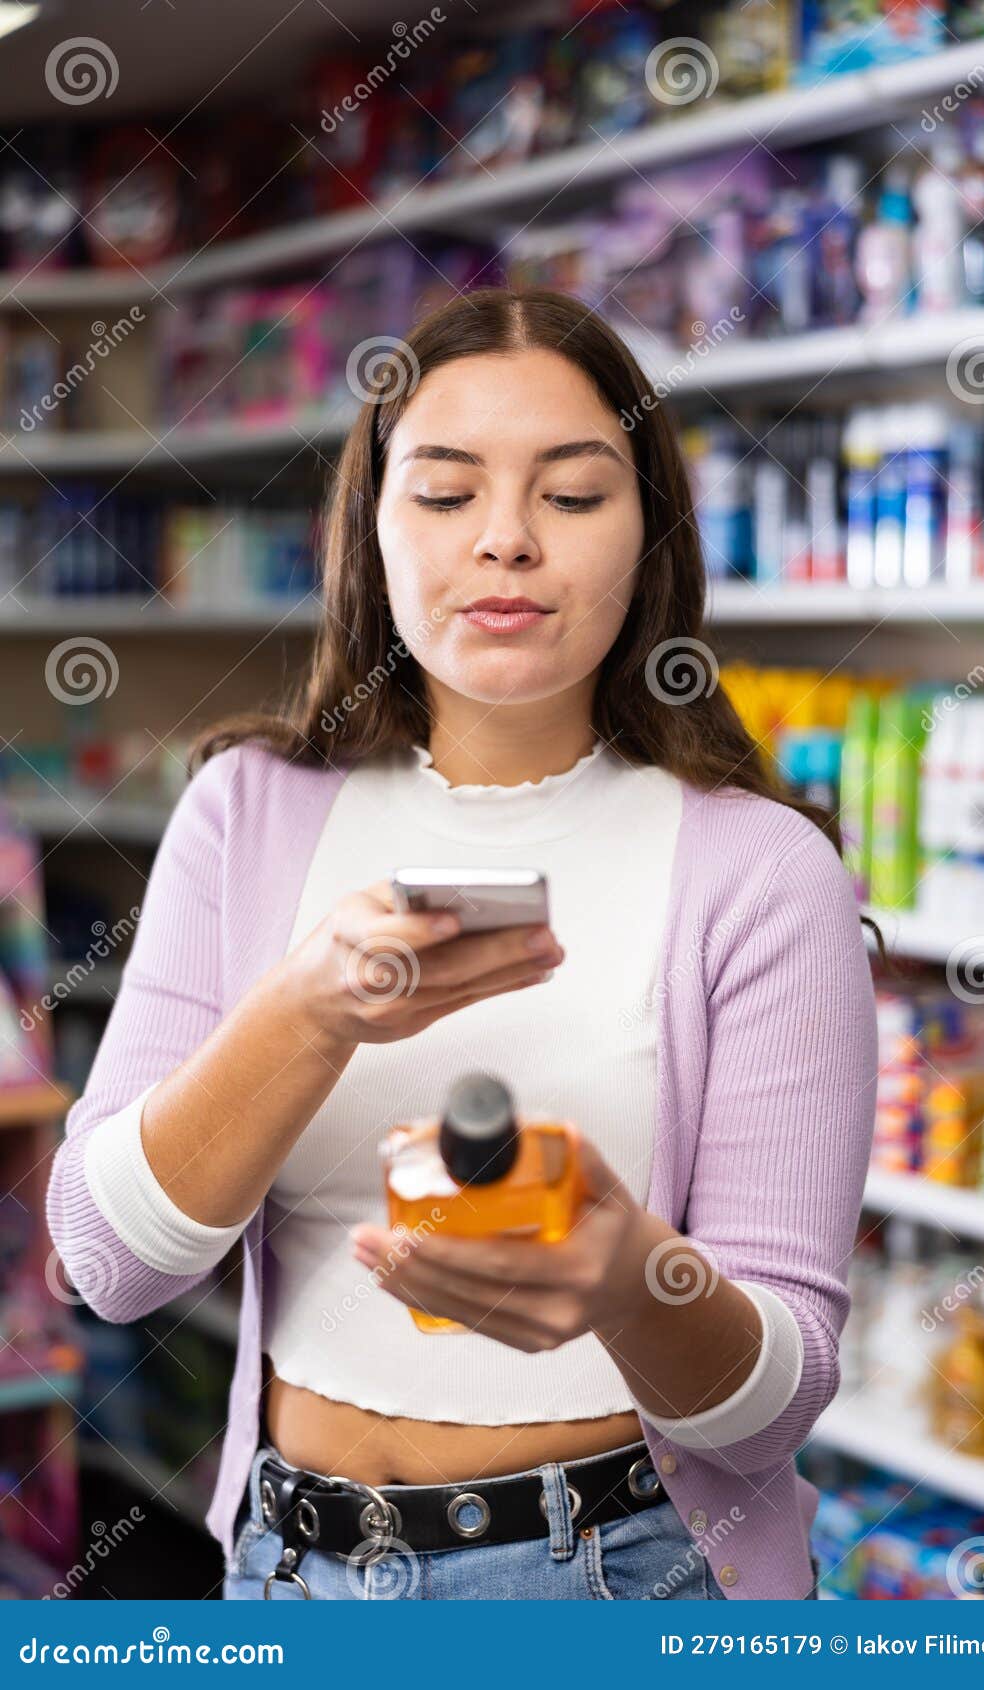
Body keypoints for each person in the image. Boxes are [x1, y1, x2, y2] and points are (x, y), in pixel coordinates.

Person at [47, 286, 878, 1601]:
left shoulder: (759, 870)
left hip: (616, 1576)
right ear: (368, 532)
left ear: (647, 534)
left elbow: (767, 1410)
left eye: (571, 493)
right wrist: (308, 1009)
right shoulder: (253, 809)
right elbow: (111, 1263)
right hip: (290, 1569)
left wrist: (627, 1276)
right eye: (443, 494)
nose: (505, 540)